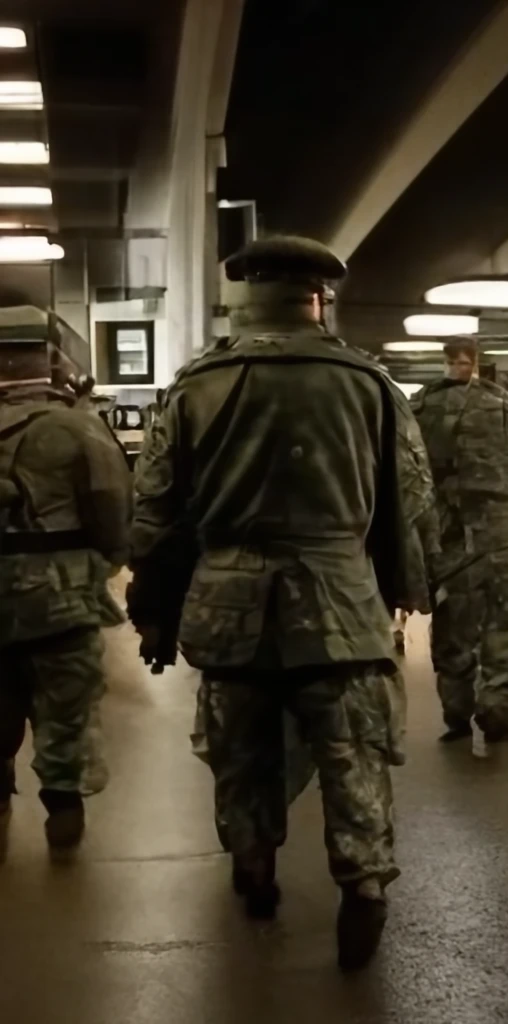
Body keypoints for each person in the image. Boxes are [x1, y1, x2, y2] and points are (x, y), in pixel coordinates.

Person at [128, 236, 436, 970]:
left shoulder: (194, 386)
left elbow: (156, 515)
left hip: (228, 604)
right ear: (318, 297)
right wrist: (399, 589)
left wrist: (157, 615)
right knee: (353, 754)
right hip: (342, 602)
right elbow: (411, 498)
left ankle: (255, 862)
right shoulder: (369, 384)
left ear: (244, 296)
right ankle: (362, 885)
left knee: (242, 750)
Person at [0, 305, 131, 848]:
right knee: (66, 712)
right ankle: (62, 808)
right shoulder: (79, 427)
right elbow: (115, 513)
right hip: (61, 599)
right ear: (52, 358)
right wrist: (102, 564)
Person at [410, 336, 508, 747]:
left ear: (444, 360)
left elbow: (410, 483)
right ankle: (498, 709)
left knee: (454, 636)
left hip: (453, 545)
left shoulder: (419, 411)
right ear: (478, 361)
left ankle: (457, 715)